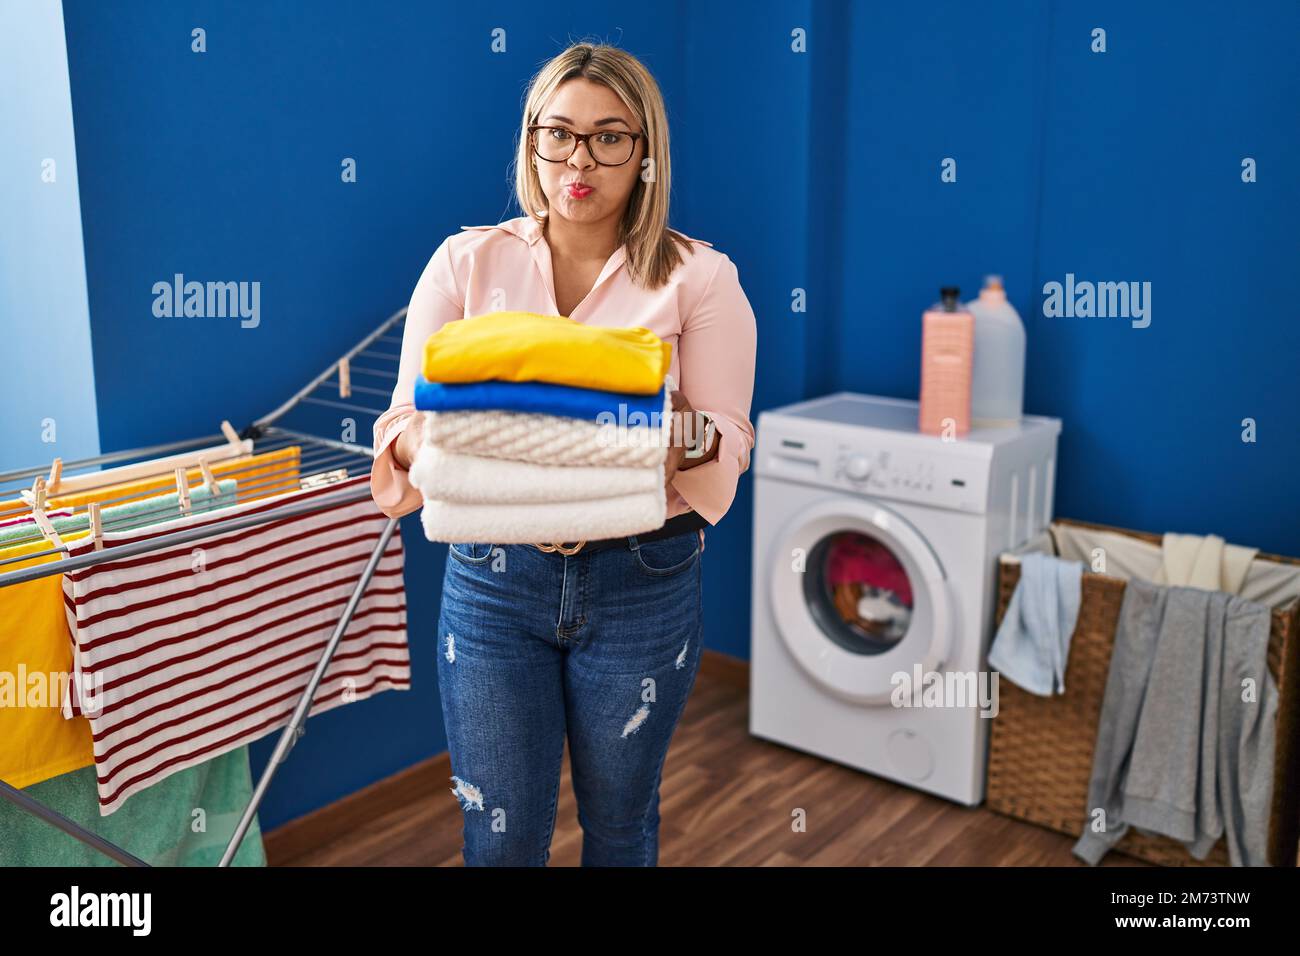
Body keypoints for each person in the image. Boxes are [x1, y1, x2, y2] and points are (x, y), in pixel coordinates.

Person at [369, 41, 757, 866]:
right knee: (500, 839)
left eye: (610, 137)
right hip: (493, 582)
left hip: (641, 582)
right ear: (532, 143)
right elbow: (403, 421)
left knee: (621, 826)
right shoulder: (464, 264)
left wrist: (671, 431)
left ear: (645, 154)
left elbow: (726, 436)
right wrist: (452, 434)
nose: (579, 159)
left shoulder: (700, 280)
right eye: (559, 134)